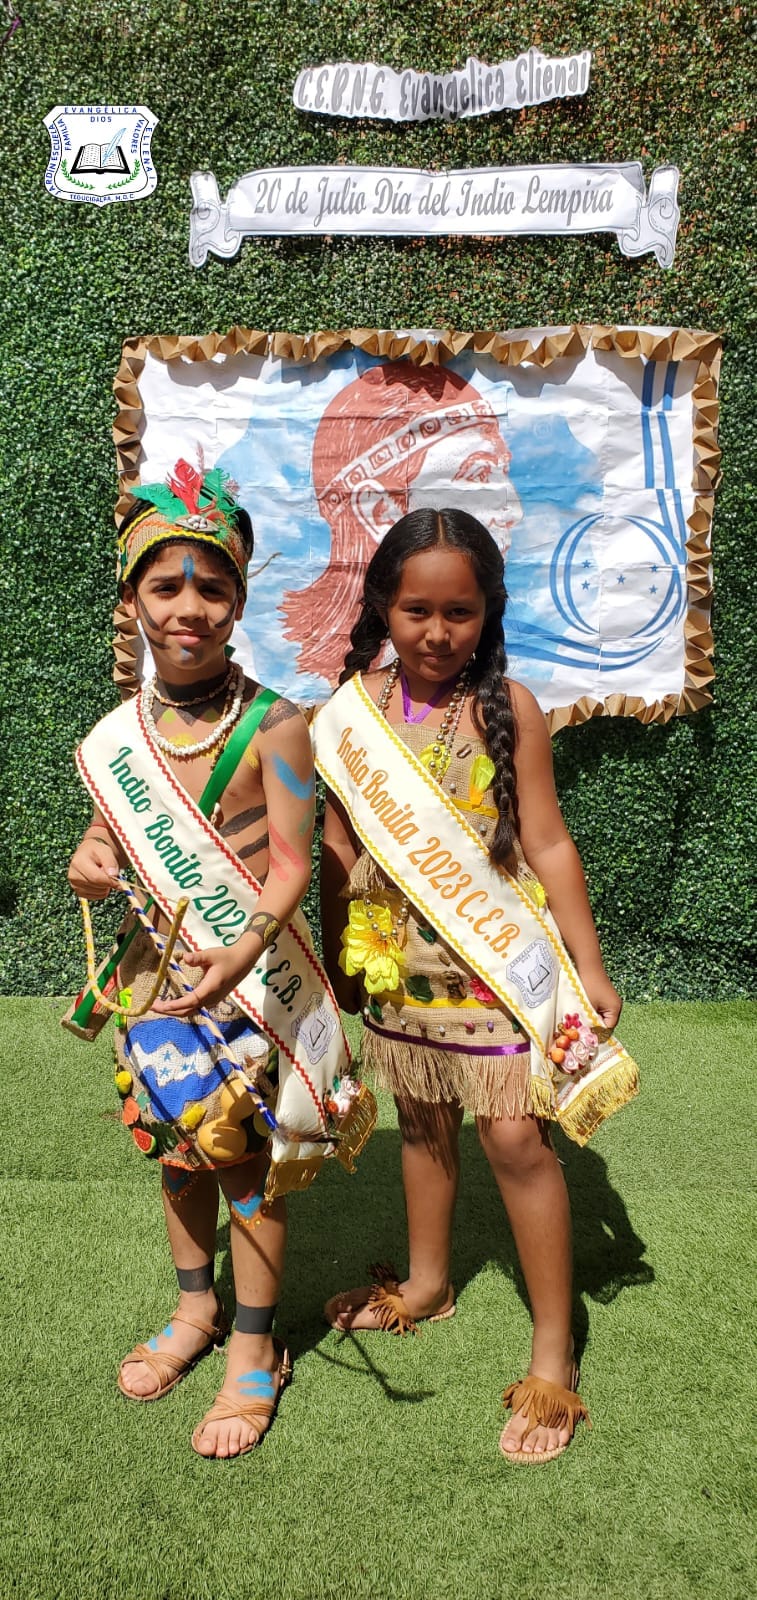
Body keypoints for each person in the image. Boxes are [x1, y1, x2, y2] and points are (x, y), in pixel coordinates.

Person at [312, 506, 638, 1464]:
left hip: (494, 966)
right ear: (382, 606)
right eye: (416, 609)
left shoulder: (513, 706)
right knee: (420, 1118)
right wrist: (337, 955)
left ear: (487, 613)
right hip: (394, 962)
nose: (437, 632)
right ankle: (424, 1284)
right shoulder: (348, 716)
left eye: (460, 611)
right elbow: (335, 844)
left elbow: (545, 839)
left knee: (514, 1137)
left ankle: (552, 1350)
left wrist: (588, 964)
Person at [67, 460, 371, 1459]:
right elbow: (117, 839)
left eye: (212, 586)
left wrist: (244, 947)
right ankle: (194, 1311)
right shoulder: (125, 736)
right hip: (156, 979)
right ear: (133, 599)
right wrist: (93, 858)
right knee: (172, 1156)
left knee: (242, 1164)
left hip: (248, 982)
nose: (189, 606)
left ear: (238, 600)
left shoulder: (279, 723)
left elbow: (290, 861)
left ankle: (252, 1347)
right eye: (166, 585)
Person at [280, 360, 522, 685]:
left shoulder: (510, 709)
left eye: (459, 612)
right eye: (478, 474)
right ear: (380, 510)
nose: (514, 511)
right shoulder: (352, 704)